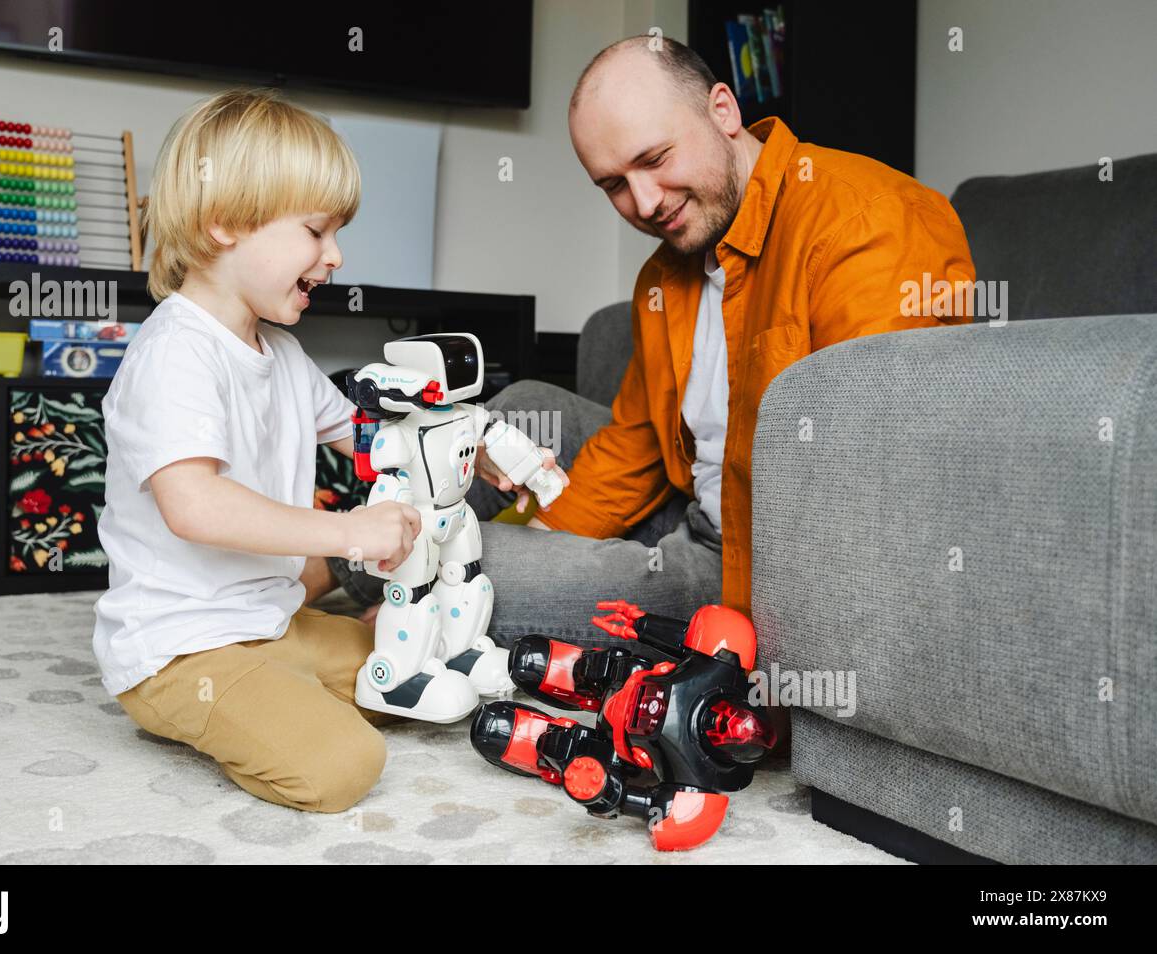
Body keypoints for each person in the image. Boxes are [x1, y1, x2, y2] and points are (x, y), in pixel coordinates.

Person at [320, 36, 976, 749]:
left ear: (723, 109)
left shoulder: (868, 222)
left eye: (655, 160)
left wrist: (758, 667)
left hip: (747, 572)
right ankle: (314, 565)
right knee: (502, 412)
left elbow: (871, 500)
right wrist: (545, 535)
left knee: (470, 559)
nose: (644, 203)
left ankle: (362, 633)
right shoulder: (668, 276)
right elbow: (632, 450)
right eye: (612, 184)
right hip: (688, 508)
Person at [93, 89, 431, 813]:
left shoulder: (279, 351)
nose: (335, 256)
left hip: (267, 619)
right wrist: (348, 533)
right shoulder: (175, 354)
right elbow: (194, 505)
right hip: (183, 650)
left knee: (417, 675)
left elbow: (360, 436)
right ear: (225, 224)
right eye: (316, 231)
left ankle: (290, 685)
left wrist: (455, 442)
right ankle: (209, 711)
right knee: (346, 764)